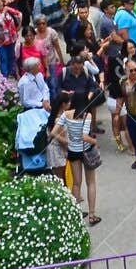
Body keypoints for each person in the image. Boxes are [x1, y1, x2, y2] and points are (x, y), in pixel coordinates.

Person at [54, 94, 101, 226]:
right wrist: (95, 141)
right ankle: (92, 215)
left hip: (73, 152)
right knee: (91, 183)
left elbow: (53, 132)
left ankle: (77, 214)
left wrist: (66, 141)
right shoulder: (87, 116)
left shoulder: (67, 114)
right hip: (86, 151)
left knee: (76, 183)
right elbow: (85, 137)